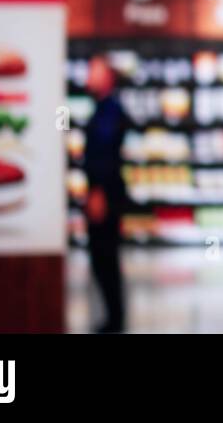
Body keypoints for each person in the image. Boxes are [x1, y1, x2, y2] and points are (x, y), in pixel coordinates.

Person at [82, 55, 131, 333]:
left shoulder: (110, 110)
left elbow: (106, 154)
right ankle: (113, 318)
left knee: (105, 256)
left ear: (108, 78)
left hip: (106, 194)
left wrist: (99, 192)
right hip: (101, 191)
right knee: (102, 257)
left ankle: (115, 320)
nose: (88, 76)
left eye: (94, 71)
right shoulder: (101, 108)